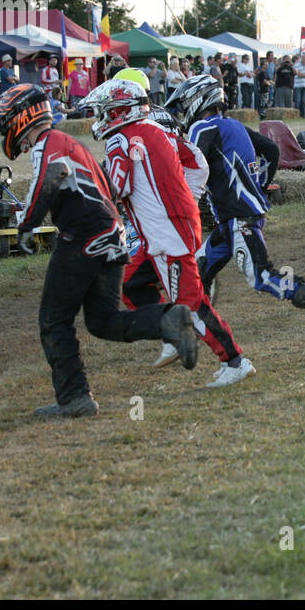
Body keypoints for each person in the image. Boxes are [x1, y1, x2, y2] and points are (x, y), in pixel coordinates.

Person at [0, 83, 199, 418]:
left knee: (54, 321)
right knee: (103, 321)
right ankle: (169, 319)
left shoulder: (48, 143)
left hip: (82, 239)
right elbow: (106, 189)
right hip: (112, 236)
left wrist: (26, 223)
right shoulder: (71, 144)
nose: (3, 128)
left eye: (5, 120)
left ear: (22, 115)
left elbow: (50, 179)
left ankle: (75, 398)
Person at [86, 78, 253, 389]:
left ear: (118, 111)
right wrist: (186, 197)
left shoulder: (119, 140)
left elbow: (117, 187)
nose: (100, 120)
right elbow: (196, 161)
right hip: (176, 225)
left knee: (191, 302)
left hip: (165, 235)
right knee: (130, 283)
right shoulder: (158, 130)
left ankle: (234, 360)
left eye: (103, 112)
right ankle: (170, 333)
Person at [167, 75, 305, 338]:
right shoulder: (233, 124)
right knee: (198, 270)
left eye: (184, 105)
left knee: (262, 277)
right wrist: (257, 186)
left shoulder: (202, 128)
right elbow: (271, 150)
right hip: (232, 220)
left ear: (197, 100)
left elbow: (186, 167)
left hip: (240, 219)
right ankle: (195, 330)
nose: (182, 113)